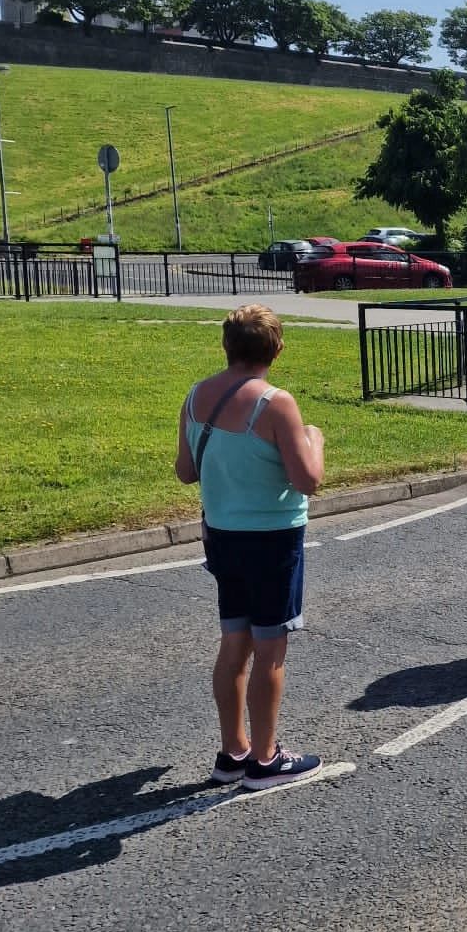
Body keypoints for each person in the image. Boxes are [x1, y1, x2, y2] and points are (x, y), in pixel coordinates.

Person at [175, 304, 325, 789]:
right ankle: (265, 758)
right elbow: (308, 480)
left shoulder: (197, 396)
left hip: (221, 534)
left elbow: (186, 471)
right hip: (273, 538)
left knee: (233, 642)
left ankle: (232, 751)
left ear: (226, 345)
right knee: (271, 647)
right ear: (276, 349)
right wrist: (313, 439)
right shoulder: (276, 403)